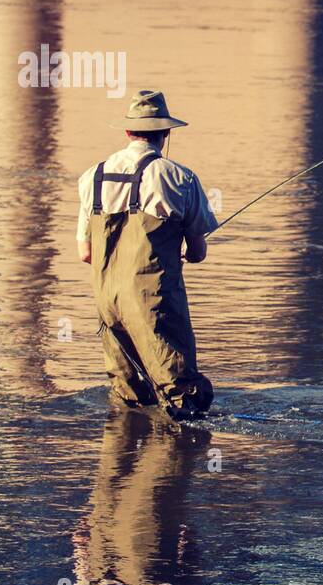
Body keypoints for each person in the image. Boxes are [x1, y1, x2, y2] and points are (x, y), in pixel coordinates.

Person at [77, 90, 218, 419]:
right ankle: (178, 460)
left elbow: (86, 253)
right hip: (153, 299)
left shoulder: (92, 177)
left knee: (128, 392)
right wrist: (185, 253)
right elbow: (197, 251)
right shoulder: (179, 177)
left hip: (106, 300)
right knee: (181, 391)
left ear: (128, 132)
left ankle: (124, 456)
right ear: (166, 132)